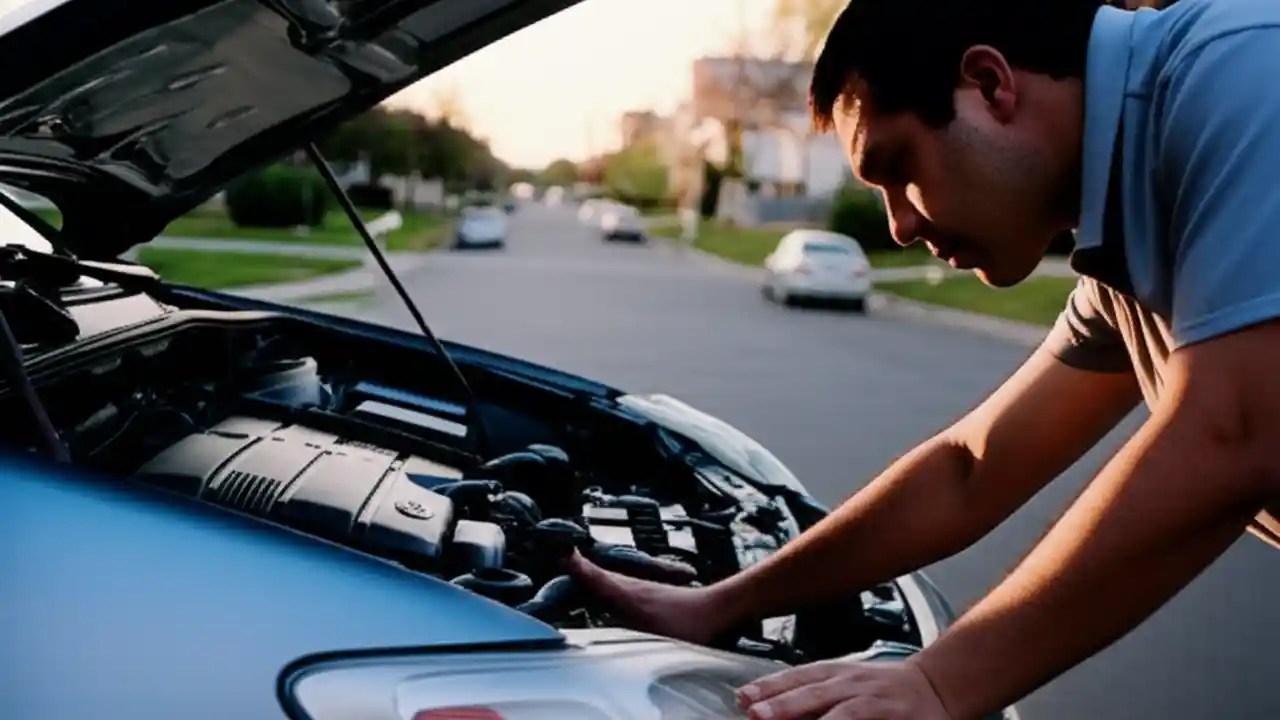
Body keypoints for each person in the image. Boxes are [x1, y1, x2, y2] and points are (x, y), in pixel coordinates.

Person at [567, 0, 1280, 717]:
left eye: (898, 167)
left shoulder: (1244, 71)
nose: (899, 226)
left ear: (990, 83)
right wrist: (718, 606)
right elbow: (971, 467)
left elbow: (1236, 432)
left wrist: (941, 683)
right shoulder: (1124, 244)